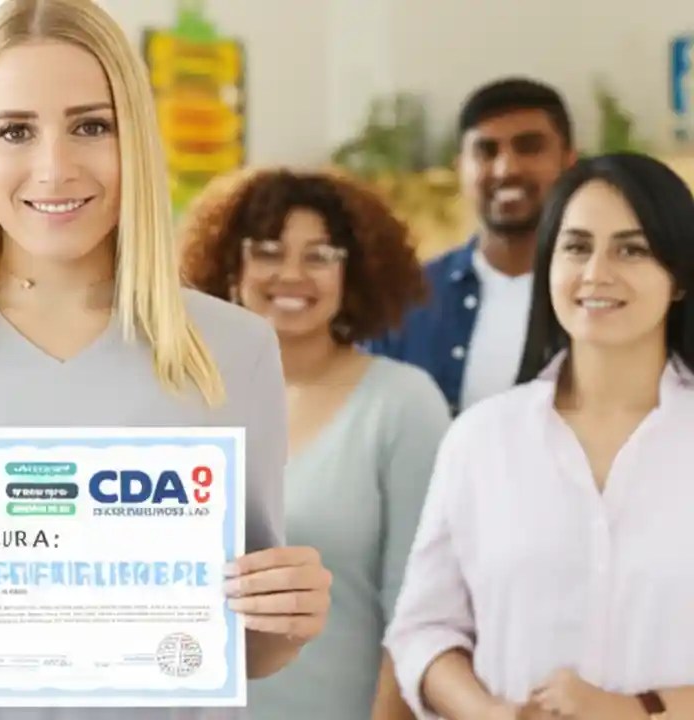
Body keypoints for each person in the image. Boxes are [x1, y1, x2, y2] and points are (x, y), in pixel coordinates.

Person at [0, 0, 335, 718]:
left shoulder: (234, 351)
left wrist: (291, 615)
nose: (54, 167)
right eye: (15, 131)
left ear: (135, 143)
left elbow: (251, 647)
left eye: (91, 126)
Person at [384, 153, 694, 720]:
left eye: (632, 248)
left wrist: (641, 709)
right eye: (576, 247)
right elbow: (423, 631)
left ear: (679, 278)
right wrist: (488, 712)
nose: (597, 273)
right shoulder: (480, 440)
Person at [180, 168, 450, 720]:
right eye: (268, 251)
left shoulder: (401, 404)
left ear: (354, 273)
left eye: (320, 256)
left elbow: (418, 611)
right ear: (230, 265)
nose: (292, 275)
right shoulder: (183, 399)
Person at [366, 77, 577, 415]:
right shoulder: (406, 300)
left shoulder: (604, 295)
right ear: (460, 168)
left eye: (529, 147)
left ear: (569, 162)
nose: (507, 169)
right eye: (486, 151)